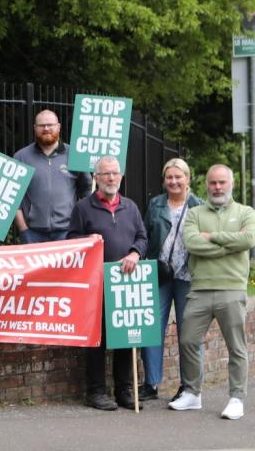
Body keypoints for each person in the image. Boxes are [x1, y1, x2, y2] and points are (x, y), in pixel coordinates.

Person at [169, 164, 255, 420]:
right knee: (187, 341)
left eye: (222, 182)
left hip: (231, 288)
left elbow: (248, 240)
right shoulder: (194, 213)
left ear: (231, 184)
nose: (217, 187)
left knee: (236, 347)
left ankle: (237, 398)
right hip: (200, 289)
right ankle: (193, 394)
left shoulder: (246, 212)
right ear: (206, 184)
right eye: (213, 183)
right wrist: (229, 243)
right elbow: (192, 243)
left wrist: (213, 237)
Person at [67, 156, 147, 411]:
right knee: (97, 340)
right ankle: (96, 392)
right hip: (96, 283)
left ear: (121, 177)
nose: (111, 178)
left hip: (124, 282)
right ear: (96, 178)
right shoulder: (82, 207)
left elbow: (142, 236)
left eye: (115, 173)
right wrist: (86, 239)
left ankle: (123, 390)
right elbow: (71, 240)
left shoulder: (131, 207)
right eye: (105, 174)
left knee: (124, 338)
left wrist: (135, 253)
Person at [141, 158, 203, 401]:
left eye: (179, 177)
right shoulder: (155, 204)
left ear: (188, 178)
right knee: (151, 329)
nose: (174, 181)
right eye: (170, 177)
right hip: (160, 274)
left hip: (189, 276)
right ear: (164, 180)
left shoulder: (199, 206)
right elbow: (144, 236)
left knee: (189, 334)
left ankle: (189, 386)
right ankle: (151, 383)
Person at [14, 109, 92, 243]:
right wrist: (23, 229)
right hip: (32, 234)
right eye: (41, 125)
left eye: (50, 125)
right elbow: (14, 198)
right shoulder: (21, 157)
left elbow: (86, 192)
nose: (46, 128)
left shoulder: (75, 155)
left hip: (68, 232)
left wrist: (81, 224)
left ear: (59, 127)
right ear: (34, 128)